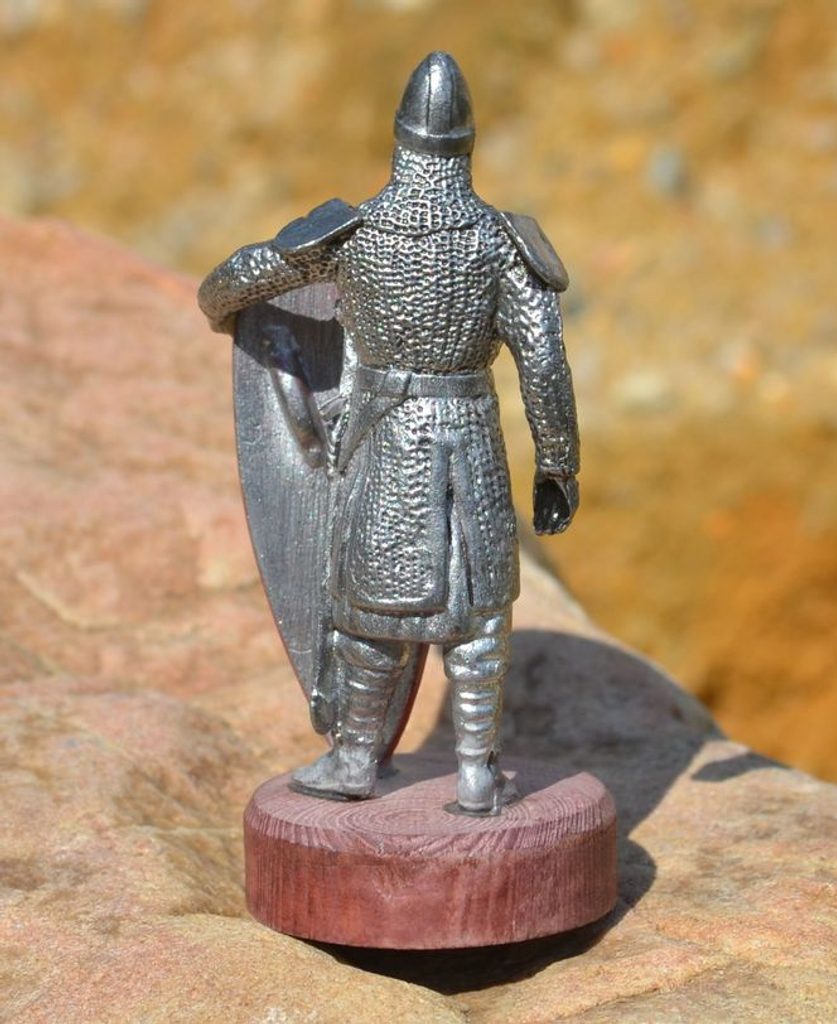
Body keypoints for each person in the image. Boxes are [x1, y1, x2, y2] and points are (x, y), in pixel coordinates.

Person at [198, 51, 579, 814]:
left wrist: (219, 310)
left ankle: (352, 761)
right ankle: (475, 772)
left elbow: (234, 280)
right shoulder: (502, 242)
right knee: (477, 613)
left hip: (385, 435)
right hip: (470, 436)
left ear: (400, 141)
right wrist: (558, 466)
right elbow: (543, 362)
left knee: (370, 612)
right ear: (466, 144)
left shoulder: (352, 233)